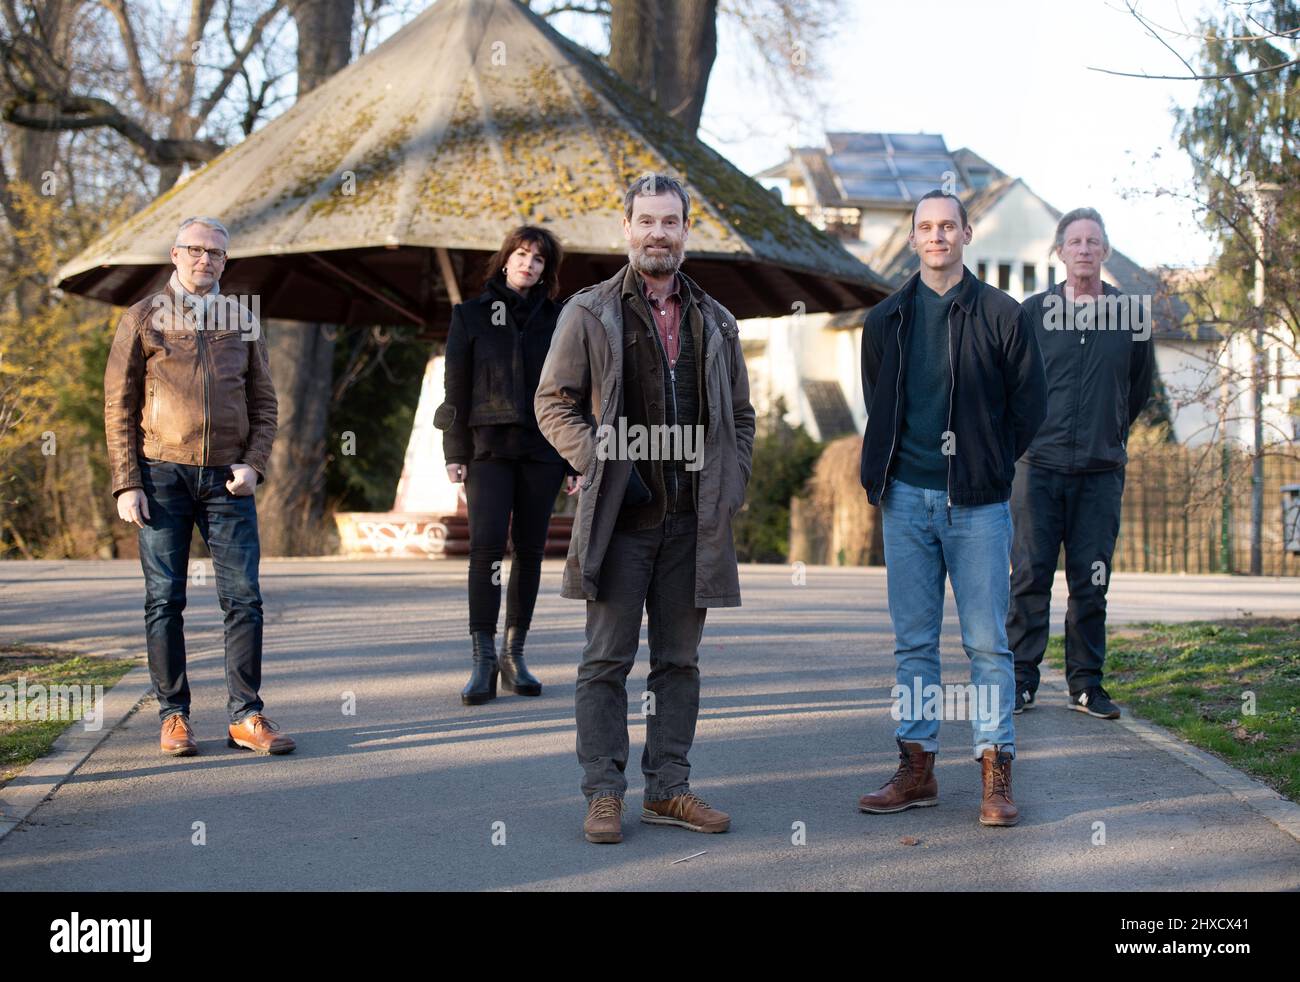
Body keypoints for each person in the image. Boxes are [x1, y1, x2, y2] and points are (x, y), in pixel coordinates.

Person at [534, 173, 755, 844]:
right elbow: (552, 403)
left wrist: (732, 482)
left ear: (686, 231)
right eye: (647, 220)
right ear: (626, 229)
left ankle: (669, 789)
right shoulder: (589, 311)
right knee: (605, 661)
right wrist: (598, 458)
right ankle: (604, 793)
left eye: (671, 221)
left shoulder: (715, 319)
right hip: (620, 522)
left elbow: (741, 419)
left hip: (694, 524)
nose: (658, 232)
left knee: (679, 664)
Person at [858, 190, 1046, 827]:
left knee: (988, 645)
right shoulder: (886, 319)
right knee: (913, 645)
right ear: (912, 238)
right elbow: (877, 399)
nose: (937, 236)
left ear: (967, 233)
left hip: (978, 502)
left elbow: (1030, 407)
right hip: (905, 497)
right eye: (926, 227)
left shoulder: (1002, 314)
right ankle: (917, 768)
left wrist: (988, 461)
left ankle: (996, 771)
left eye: (948, 225)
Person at [104, 216, 293, 757]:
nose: (204, 259)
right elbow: (118, 406)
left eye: (215, 252)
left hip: (229, 480)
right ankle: (174, 716)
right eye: (194, 250)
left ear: (225, 261)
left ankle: (246, 716)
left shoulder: (243, 319)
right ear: (175, 254)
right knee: (165, 599)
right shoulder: (142, 317)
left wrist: (254, 463)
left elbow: (265, 402)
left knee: (244, 600)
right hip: (160, 474)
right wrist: (126, 483)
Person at [1007, 208, 1155, 720]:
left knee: (1091, 582)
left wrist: (1109, 429)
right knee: (1029, 576)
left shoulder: (1130, 317)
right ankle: (1021, 681)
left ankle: (1086, 685)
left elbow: (1139, 387)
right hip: (1038, 467)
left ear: (1106, 250)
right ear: (1060, 251)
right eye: (1075, 241)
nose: (1085, 249)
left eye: (1094, 240)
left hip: (1100, 470)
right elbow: (1013, 387)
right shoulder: (1031, 313)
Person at [436, 225, 577, 705]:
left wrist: (576, 455)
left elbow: (575, 389)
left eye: (538, 259)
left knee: (532, 552)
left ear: (546, 270)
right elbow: (455, 390)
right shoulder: (470, 316)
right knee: (486, 551)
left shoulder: (561, 320)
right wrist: (454, 452)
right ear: (505, 259)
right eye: (521, 254)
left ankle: (515, 654)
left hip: (544, 450)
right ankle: (482, 659)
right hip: (487, 449)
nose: (528, 264)